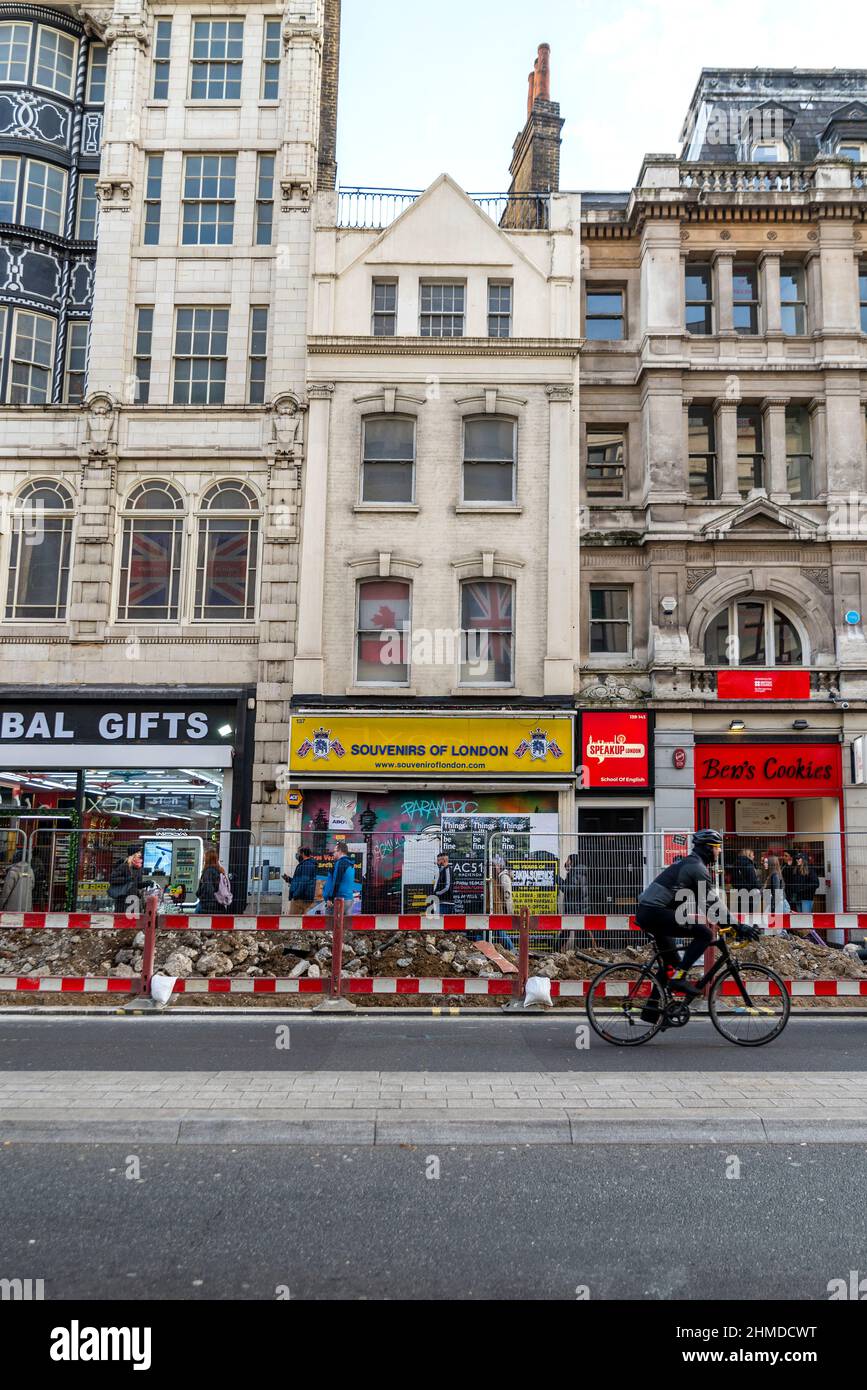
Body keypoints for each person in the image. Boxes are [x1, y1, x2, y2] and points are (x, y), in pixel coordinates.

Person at [635, 830, 759, 1019]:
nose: (719, 852)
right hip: (654, 912)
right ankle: (678, 980)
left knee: (672, 964)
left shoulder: (691, 864)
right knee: (703, 934)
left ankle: (651, 1011)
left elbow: (706, 905)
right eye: (717, 848)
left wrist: (730, 925)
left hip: (650, 912)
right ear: (708, 849)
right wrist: (739, 926)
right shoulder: (696, 868)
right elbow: (712, 904)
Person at [489, 856, 516, 953]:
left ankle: (512, 950)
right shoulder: (496, 878)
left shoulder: (503, 877)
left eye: (494, 865)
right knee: (496, 930)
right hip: (497, 908)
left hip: (498, 908)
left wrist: (509, 912)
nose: (493, 868)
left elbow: (507, 895)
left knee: (498, 930)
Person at [108, 845, 143, 913]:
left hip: (133, 898)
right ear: (133, 854)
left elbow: (137, 885)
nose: (140, 854)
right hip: (123, 898)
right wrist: (126, 879)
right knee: (121, 920)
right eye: (138, 853)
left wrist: (147, 883)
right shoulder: (124, 866)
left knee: (133, 920)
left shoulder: (138, 868)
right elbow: (112, 879)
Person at [283, 847, 318, 916]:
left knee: (292, 921)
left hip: (300, 899)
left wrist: (296, 895)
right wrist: (289, 880)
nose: (297, 855)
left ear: (303, 854)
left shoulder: (307, 864)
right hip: (303, 898)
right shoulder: (307, 864)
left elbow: (304, 882)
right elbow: (301, 881)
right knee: (301, 923)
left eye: (298, 853)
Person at [322, 843, 356, 910]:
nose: (333, 854)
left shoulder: (340, 863)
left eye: (334, 851)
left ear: (340, 851)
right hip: (349, 899)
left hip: (340, 899)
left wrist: (330, 899)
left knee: (330, 918)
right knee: (347, 920)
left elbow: (336, 882)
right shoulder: (350, 863)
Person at [197, 848, 229, 913]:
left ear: (207, 860)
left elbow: (208, 890)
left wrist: (199, 894)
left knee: (192, 919)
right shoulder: (220, 871)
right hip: (219, 904)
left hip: (208, 906)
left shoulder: (208, 871)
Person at [431, 851, 456, 917]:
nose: (437, 862)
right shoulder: (443, 870)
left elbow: (447, 887)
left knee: (440, 924)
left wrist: (437, 893)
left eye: (438, 860)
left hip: (445, 903)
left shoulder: (447, 870)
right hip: (442, 902)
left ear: (444, 860)